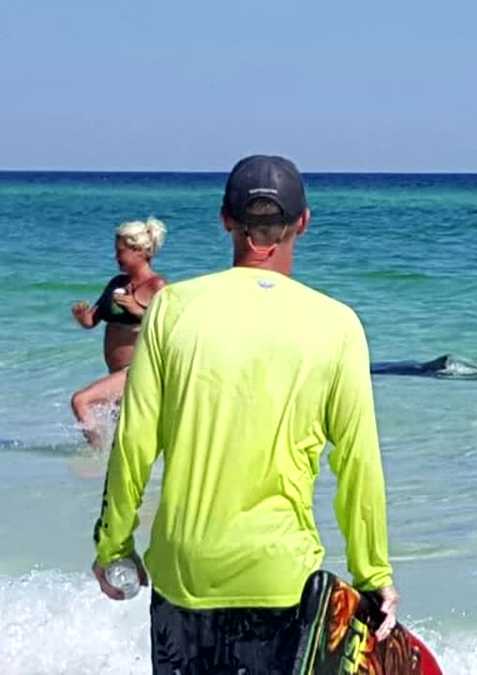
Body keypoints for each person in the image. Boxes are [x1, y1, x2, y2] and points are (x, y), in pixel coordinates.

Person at [91, 155, 398, 674]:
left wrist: (113, 545)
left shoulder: (172, 309)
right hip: (283, 580)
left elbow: (134, 440)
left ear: (225, 220)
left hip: (184, 575)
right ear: (303, 222)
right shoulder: (338, 325)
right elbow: (359, 463)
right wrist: (372, 575)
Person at [70, 218, 168, 447]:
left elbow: (168, 326)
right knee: (124, 440)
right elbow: (92, 320)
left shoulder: (157, 285)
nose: (116, 257)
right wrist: (83, 318)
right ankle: (107, 464)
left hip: (137, 371)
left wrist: (136, 310)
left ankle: (95, 455)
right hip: (114, 373)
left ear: (140, 251)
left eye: (120, 251)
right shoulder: (116, 283)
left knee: (81, 401)